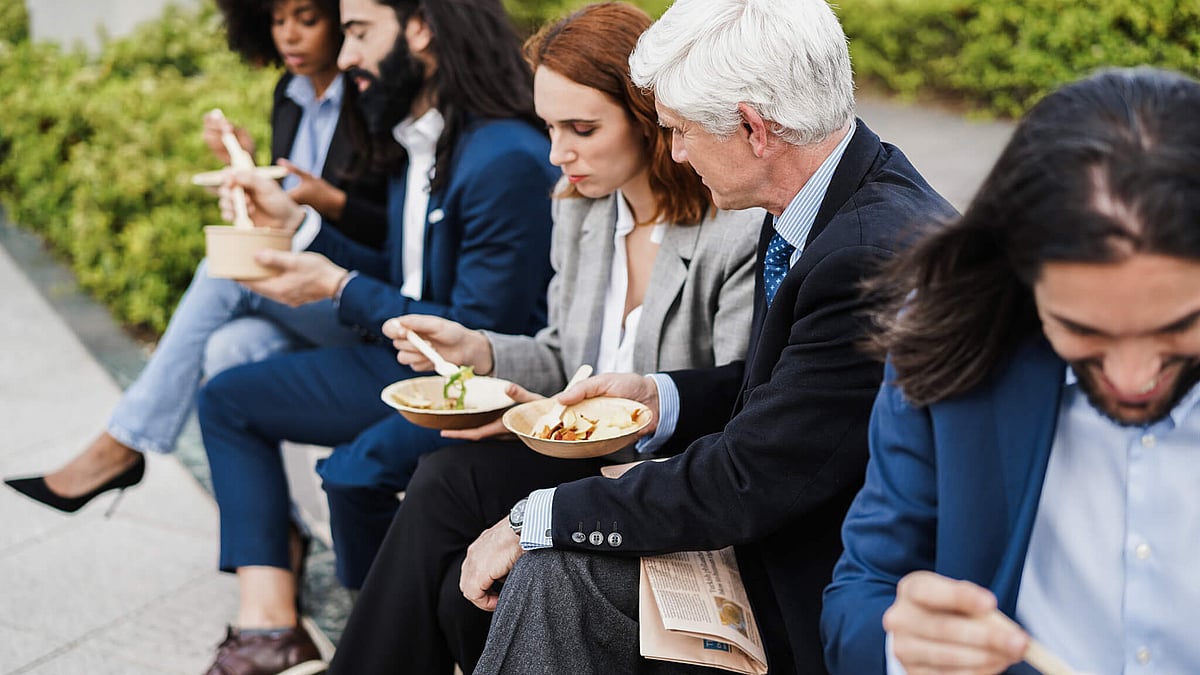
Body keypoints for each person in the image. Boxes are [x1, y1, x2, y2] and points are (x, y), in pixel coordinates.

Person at [459, 0, 956, 673]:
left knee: (556, 568)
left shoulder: (862, 256)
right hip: (784, 532)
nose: (677, 152)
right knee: (546, 562)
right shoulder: (830, 194)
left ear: (754, 127)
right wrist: (662, 396)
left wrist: (536, 516)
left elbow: (749, 476)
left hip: (818, 596)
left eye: (681, 130)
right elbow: (790, 389)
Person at [324, 4, 762, 673]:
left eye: (581, 128)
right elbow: (564, 353)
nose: (558, 153)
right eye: (551, 127)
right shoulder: (583, 205)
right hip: (582, 456)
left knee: (452, 535)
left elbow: (736, 406)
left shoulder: (730, 232)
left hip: (665, 479)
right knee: (446, 501)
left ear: (650, 118)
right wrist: (478, 349)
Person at [195, 0, 557, 671]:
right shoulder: (419, 136)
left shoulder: (504, 156)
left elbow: (478, 335)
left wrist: (335, 286)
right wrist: (297, 226)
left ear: (421, 26)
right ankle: (273, 626)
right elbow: (399, 273)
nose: (348, 54)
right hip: (399, 365)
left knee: (353, 474)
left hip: (472, 386)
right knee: (225, 398)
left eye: (359, 32)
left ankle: (393, 633)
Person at [821, 67, 1200, 675]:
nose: (1133, 378)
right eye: (1085, 332)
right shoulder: (950, 346)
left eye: (1178, 328)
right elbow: (860, 597)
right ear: (1022, 279)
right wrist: (906, 648)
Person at [3, 0, 388, 514]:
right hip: (301, 286)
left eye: (307, 19)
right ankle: (279, 536)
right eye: (277, 21)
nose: (290, 36)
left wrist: (325, 201)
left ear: (340, 23)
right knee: (228, 351)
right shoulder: (289, 97)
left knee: (225, 269)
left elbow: (389, 230)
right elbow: (286, 203)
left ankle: (121, 445)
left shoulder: (370, 99)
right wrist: (243, 159)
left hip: (360, 295)